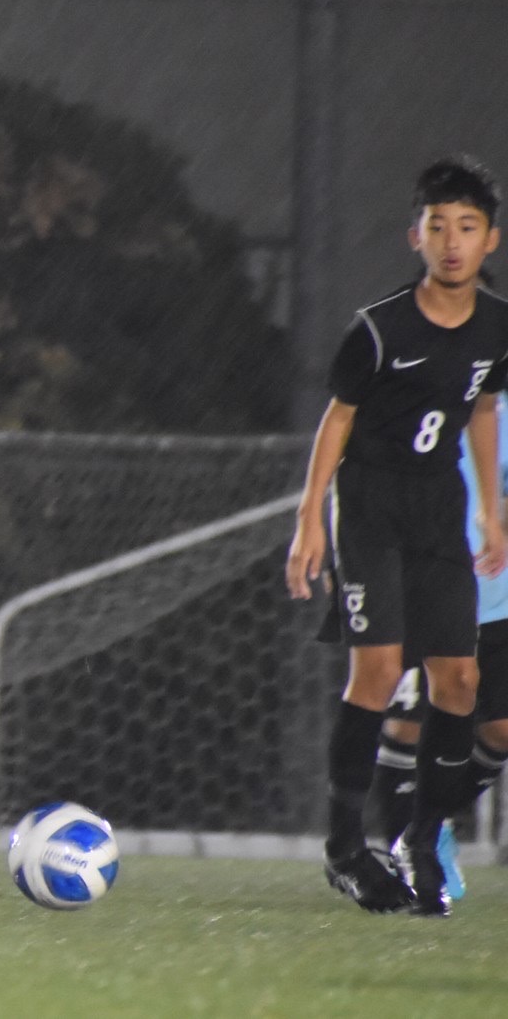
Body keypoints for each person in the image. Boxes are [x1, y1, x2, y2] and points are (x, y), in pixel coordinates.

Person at [286, 156, 508, 917]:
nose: (452, 241)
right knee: (377, 674)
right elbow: (338, 418)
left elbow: (482, 406)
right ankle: (347, 848)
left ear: (491, 240)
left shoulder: (500, 325)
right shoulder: (379, 329)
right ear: (416, 235)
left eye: (468, 228)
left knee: (460, 685)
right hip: (372, 505)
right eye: (438, 226)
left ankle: (421, 839)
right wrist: (309, 515)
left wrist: (489, 510)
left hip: (440, 508)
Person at [365, 387, 508, 899]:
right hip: (428, 583)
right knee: (409, 722)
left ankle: (428, 825)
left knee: (501, 731)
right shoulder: (433, 400)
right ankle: (409, 846)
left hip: (499, 597)